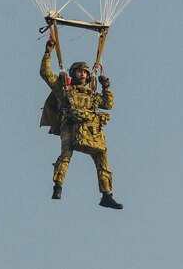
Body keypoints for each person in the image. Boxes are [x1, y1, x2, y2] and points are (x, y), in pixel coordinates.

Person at [40, 36, 122, 209]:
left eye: (85, 72)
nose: (83, 74)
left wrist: (106, 86)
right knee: (66, 155)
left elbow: (108, 104)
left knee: (102, 158)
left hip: (92, 131)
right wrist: (48, 52)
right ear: (73, 73)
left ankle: (107, 195)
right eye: (79, 71)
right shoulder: (63, 89)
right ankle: (58, 186)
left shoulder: (91, 94)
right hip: (69, 126)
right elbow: (45, 73)